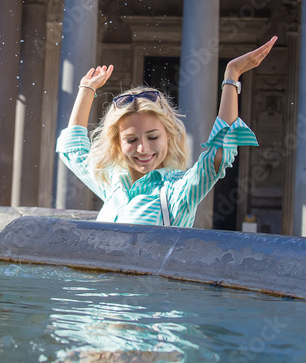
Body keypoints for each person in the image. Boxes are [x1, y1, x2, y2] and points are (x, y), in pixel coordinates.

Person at [57, 37, 277, 227]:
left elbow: (217, 156)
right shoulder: (114, 183)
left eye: (153, 137)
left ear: (168, 137)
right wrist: (87, 88)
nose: (142, 148)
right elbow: (73, 151)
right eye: (131, 139)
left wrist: (232, 76)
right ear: (117, 143)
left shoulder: (176, 191)